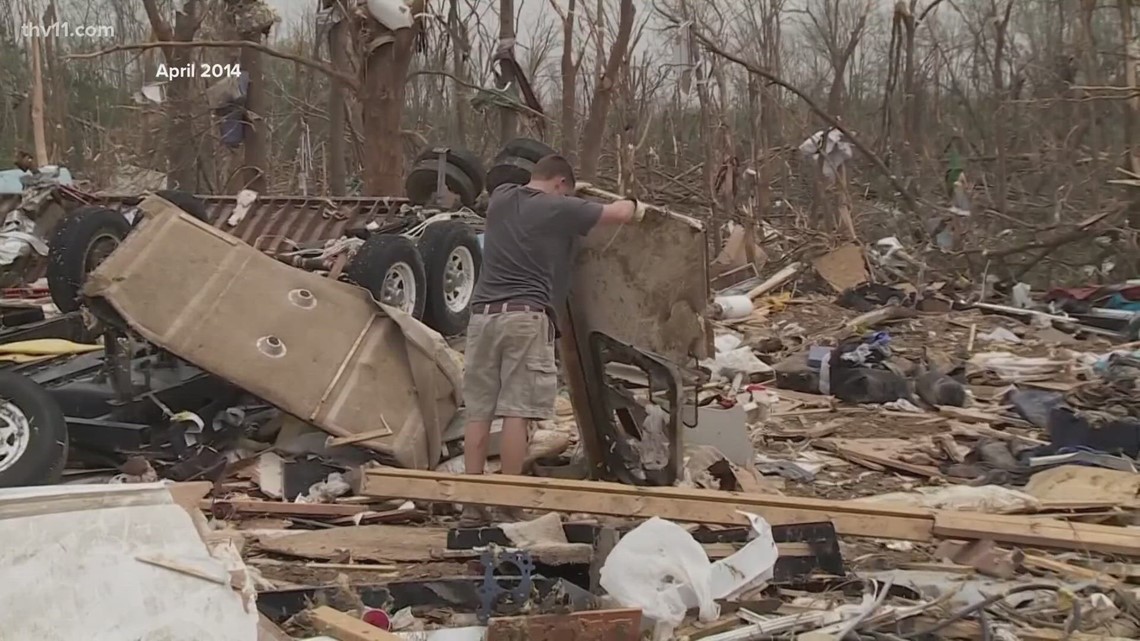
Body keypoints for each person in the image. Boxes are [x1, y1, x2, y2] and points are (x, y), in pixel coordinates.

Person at [459, 154, 644, 525]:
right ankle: (510, 501)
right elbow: (621, 214)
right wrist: (637, 204)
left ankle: (471, 502)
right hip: (525, 319)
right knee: (517, 411)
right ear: (560, 184)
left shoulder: (501, 198)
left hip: (482, 319)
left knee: (478, 411)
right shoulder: (557, 209)